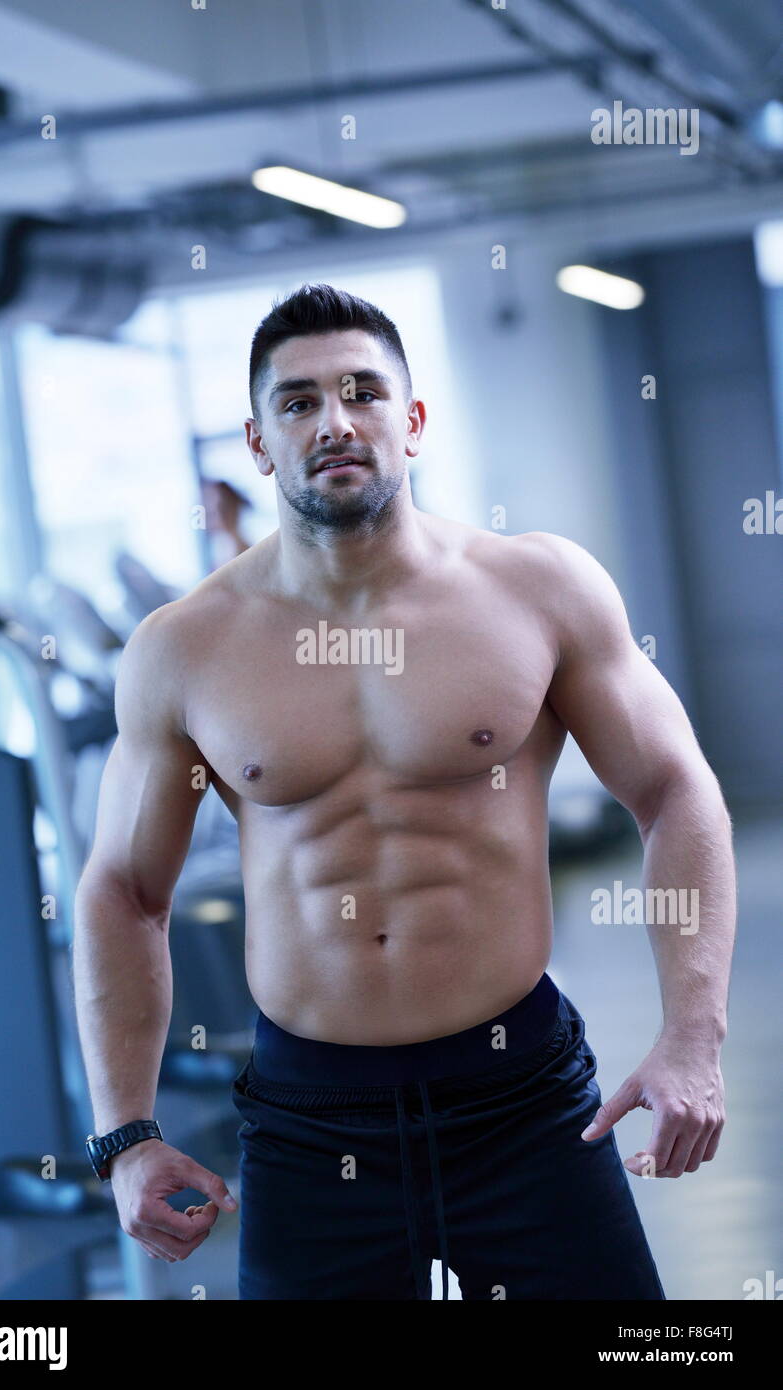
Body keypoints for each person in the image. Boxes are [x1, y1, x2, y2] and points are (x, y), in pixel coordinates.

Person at [73, 283, 735, 1300]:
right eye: (297, 402)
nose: (334, 420)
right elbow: (123, 888)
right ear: (257, 442)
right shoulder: (185, 648)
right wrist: (126, 1135)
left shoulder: (537, 590)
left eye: (362, 391)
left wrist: (693, 1037)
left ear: (412, 420)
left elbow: (675, 791)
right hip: (309, 1123)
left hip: (524, 1100)